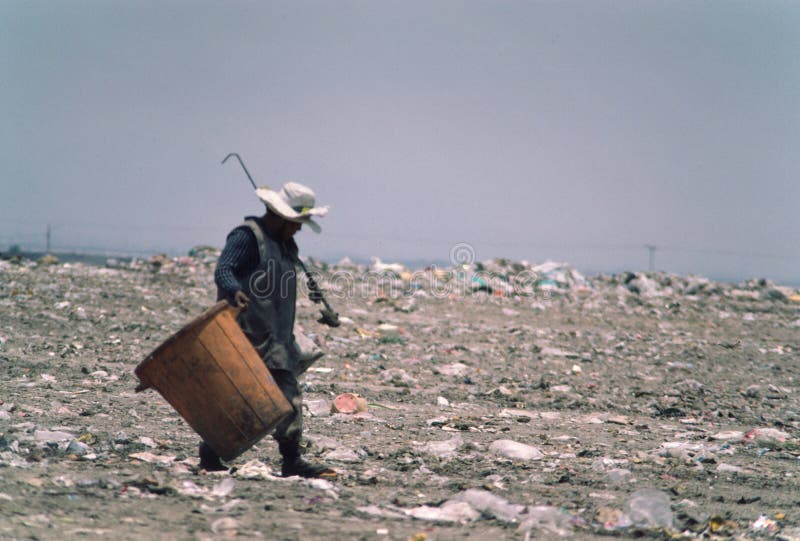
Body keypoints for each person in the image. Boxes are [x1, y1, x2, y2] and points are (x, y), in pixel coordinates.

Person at [199, 181, 334, 478]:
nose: (299, 230)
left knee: (288, 397)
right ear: (280, 216)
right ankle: (209, 453)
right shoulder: (247, 237)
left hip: (278, 337)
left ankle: (291, 459)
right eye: (296, 223)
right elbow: (224, 270)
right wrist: (234, 291)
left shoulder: (287, 245)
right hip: (244, 335)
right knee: (238, 398)